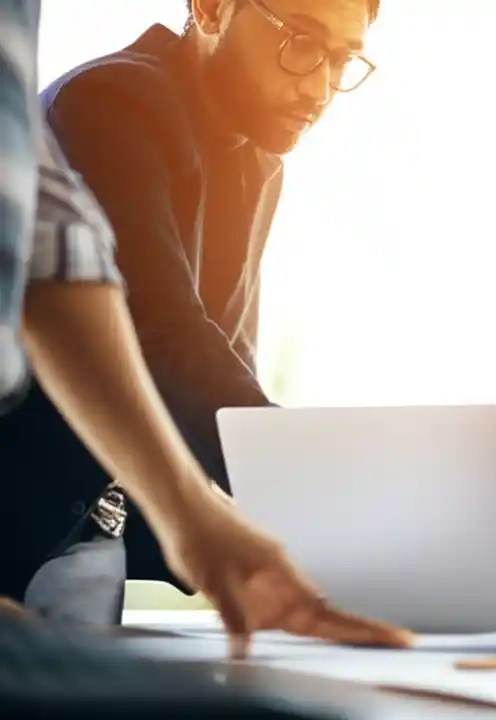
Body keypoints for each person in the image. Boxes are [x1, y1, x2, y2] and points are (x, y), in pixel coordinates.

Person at [1, 0, 409, 654]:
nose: (320, 86)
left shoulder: (259, 160)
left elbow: (225, 359)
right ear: (212, 8)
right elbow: (164, 333)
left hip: (94, 528)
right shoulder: (114, 101)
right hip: (22, 507)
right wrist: (314, 490)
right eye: (302, 42)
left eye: (342, 60)